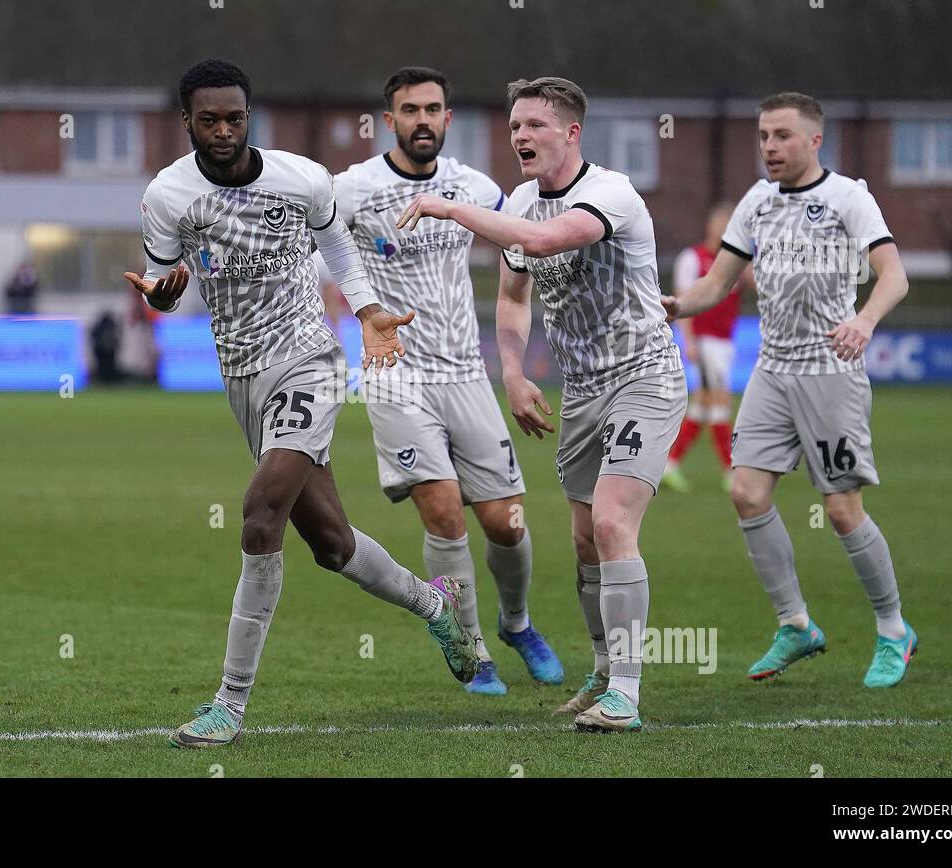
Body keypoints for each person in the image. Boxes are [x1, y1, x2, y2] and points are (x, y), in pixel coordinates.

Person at [123, 58, 480, 749]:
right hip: (242, 376)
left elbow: (336, 246)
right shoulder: (168, 195)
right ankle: (435, 604)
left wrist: (369, 310)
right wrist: (165, 297)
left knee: (260, 516)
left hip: (308, 364)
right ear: (187, 123)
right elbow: (169, 276)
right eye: (209, 120)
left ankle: (228, 703)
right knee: (332, 544)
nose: (223, 130)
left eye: (234, 117)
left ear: (249, 116)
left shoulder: (303, 179)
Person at [397, 76, 685, 732]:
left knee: (613, 524)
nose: (521, 136)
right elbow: (513, 297)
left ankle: (627, 696)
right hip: (581, 391)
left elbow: (551, 240)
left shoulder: (609, 192)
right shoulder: (523, 199)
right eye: (515, 127)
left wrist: (451, 209)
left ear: (571, 133)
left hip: (645, 376)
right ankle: (607, 669)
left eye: (534, 125)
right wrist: (515, 372)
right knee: (586, 543)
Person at [663, 91, 915, 688]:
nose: (769, 147)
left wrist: (864, 320)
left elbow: (895, 275)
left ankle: (893, 630)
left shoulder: (849, 197)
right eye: (763, 137)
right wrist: (672, 305)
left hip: (830, 371)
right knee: (747, 492)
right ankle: (796, 624)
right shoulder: (756, 201)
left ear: (814, 140)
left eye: (781, 136)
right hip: (772, 372)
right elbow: (717, 284)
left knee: (841, 509)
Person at [332, 66, 561, 696]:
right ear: (390, 121)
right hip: (394, 377)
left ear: (448, 118)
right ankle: (473, 647)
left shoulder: (475, 188)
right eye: (410, 110)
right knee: (443, 515)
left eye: (433, 109)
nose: (423, 120)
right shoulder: (353, 189)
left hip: (466, 373)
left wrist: (515, 367)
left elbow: (526, 249)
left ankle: (515, 623)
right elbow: (310, 237)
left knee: (505, 521)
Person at [662, 203, 754, 493]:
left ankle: (668, 465)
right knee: (719, 402)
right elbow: (681, 301)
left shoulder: (735, 262)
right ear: (711, 227)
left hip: (725, 341)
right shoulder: (692, 258)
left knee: (702, 407)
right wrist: (687, 341)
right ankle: (731, 470)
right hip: (703, 342)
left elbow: (760, 283)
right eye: (723, 226)